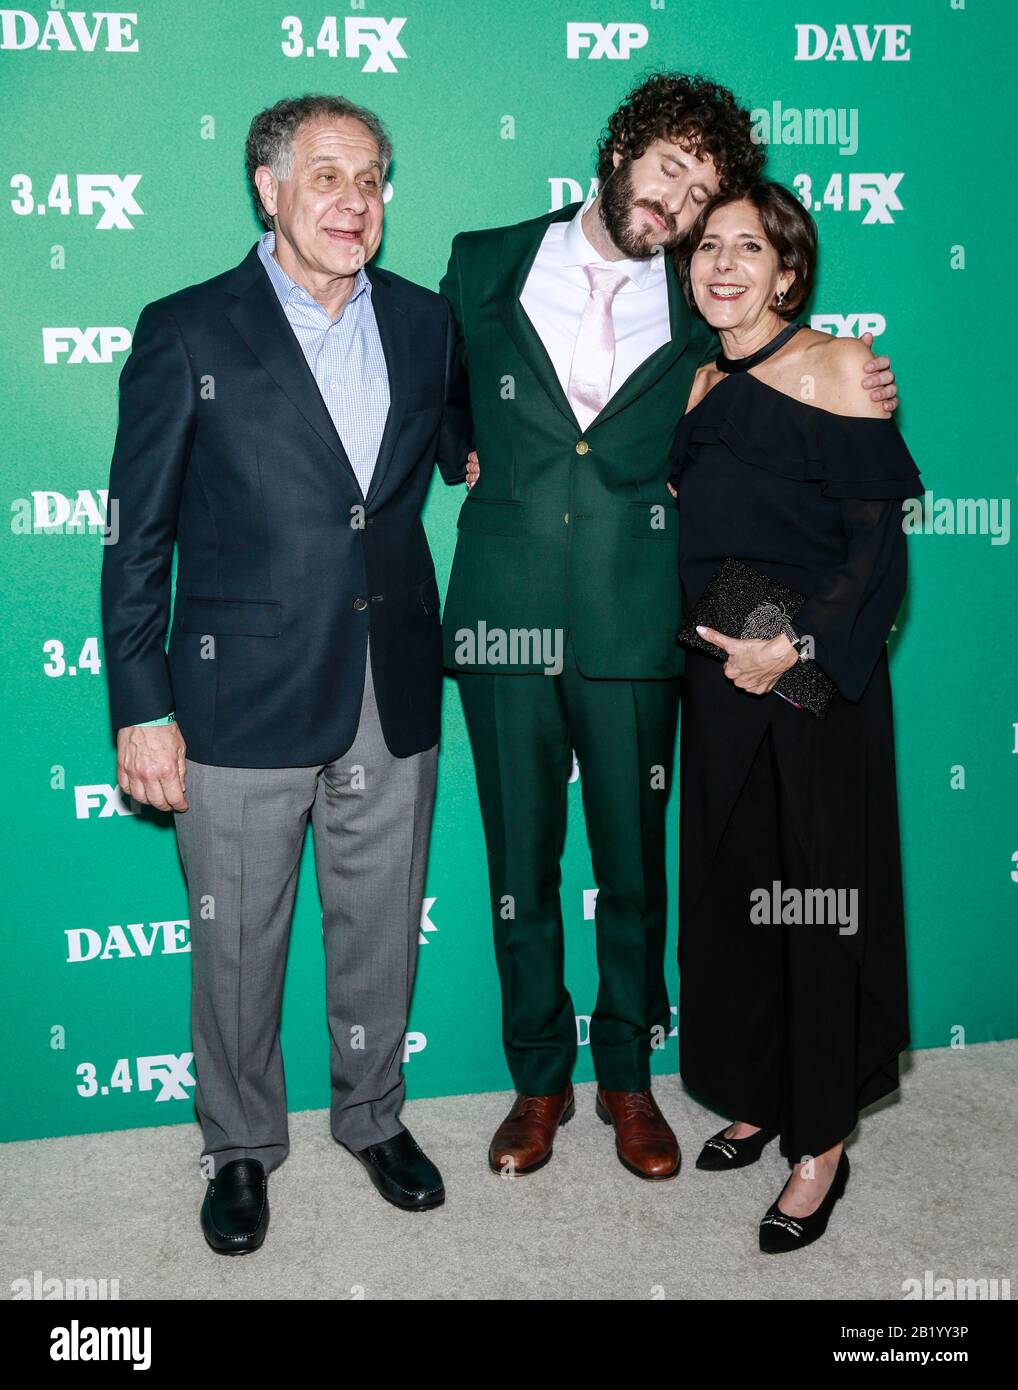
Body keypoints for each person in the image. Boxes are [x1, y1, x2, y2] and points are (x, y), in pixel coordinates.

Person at [439, 73, 898, 1180]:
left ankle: (629, 1082)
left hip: (642, 620)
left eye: (701, 192)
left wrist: (847, 375)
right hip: (504, 609)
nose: (679, 204)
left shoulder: (706, 303)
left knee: (638, 866)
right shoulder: (484, 256)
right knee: (521, 864)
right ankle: (538, 1081)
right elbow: (439, 381)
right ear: (619, 151)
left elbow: (775, 378)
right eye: (668, 168)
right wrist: (459, 434)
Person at [100, 94, 471, 1253]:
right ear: (268, 188)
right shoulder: (188, 328)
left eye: (369, 178)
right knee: (238, 939)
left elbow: (474, 443)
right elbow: (135, 533)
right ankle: (241, 1144)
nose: (352, 200)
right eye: (324, 176)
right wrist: (141, 704)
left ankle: (372, 1116)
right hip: (235, 693)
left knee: (377, 928)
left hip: (389, 681)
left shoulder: (425, 323)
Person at [668, 180, 921, 1251]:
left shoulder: (840, 368)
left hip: (809, 673)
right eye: (707, 247)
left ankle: (820, 1145)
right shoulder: (693, 383)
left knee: (813, 904)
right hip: (722, 665)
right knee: (738, 894)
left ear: (787, 269)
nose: (724, 265)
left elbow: (876, 559)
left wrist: (793, 648)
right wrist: (739, 645)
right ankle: (762, 1089)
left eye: (749, 248)